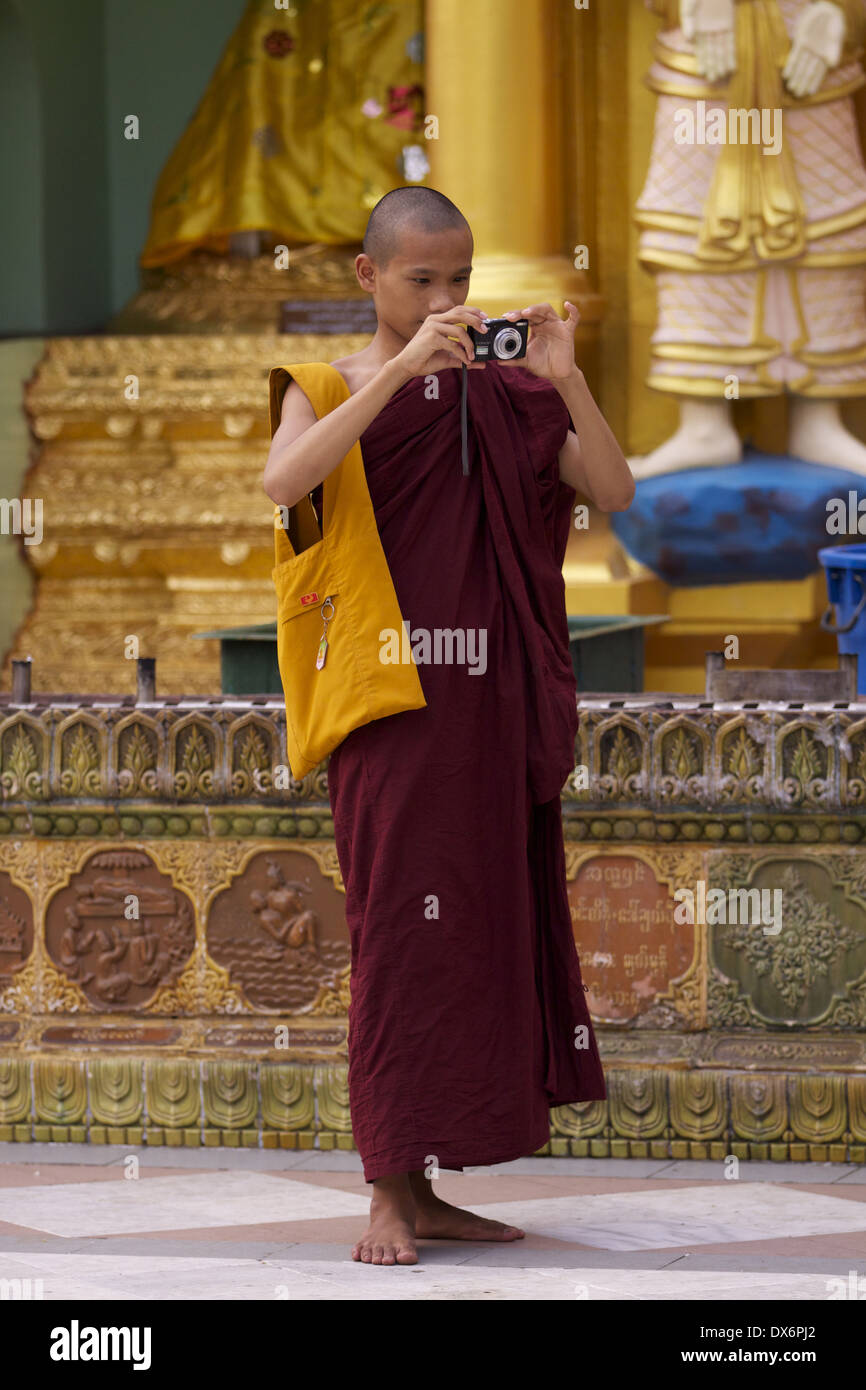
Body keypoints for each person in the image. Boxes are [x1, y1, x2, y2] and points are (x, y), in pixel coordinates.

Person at [263, 187, 634, 1266]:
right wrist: (398, 373)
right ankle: (385, 1189)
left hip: (490, 708)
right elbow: (285, 480)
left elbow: (608, 486)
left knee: (476, 934)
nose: (444, 299)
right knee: (396, 939)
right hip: (390, 711)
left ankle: (428, 1187)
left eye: (459, 280)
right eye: (420, 280)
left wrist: (562, 376)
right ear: (368, 280)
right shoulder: (331, 384)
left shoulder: (510, 394)